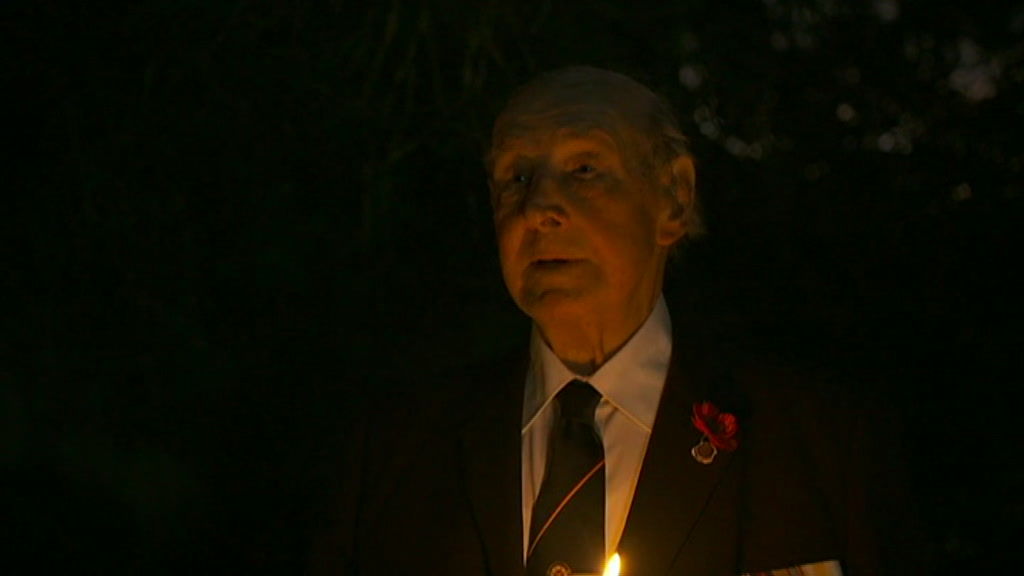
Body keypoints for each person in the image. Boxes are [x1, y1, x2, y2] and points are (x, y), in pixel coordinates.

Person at [310, 66, 926, 576]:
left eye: (584, 169)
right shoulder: (398, 451)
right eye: (517, 177)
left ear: (674, 198)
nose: (540, 207)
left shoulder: (816, 443)